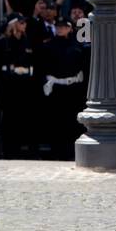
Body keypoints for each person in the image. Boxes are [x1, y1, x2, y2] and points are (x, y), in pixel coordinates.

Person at [37, 17, 87, 157]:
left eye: (64, 26)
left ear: (70, 28)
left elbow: (83, 67)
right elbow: (42, 68)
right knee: (56, 121)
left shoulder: (77, 45)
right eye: (58, 26)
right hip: (56, 88)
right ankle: (56, 152)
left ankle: (72, 152)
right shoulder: (48, 45)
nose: (60, 29)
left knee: (73, 121)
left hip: (73, 89)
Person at [0, 14, 37, 157]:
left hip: (25, 85)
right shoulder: (4, 42)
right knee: (8, 118)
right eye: (21, 22)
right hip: (9, 85)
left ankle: (23, 150)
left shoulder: (28, 40)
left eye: (24, 22)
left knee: (24, 117)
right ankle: (8, 150)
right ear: (13, 24)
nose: (24, 24)